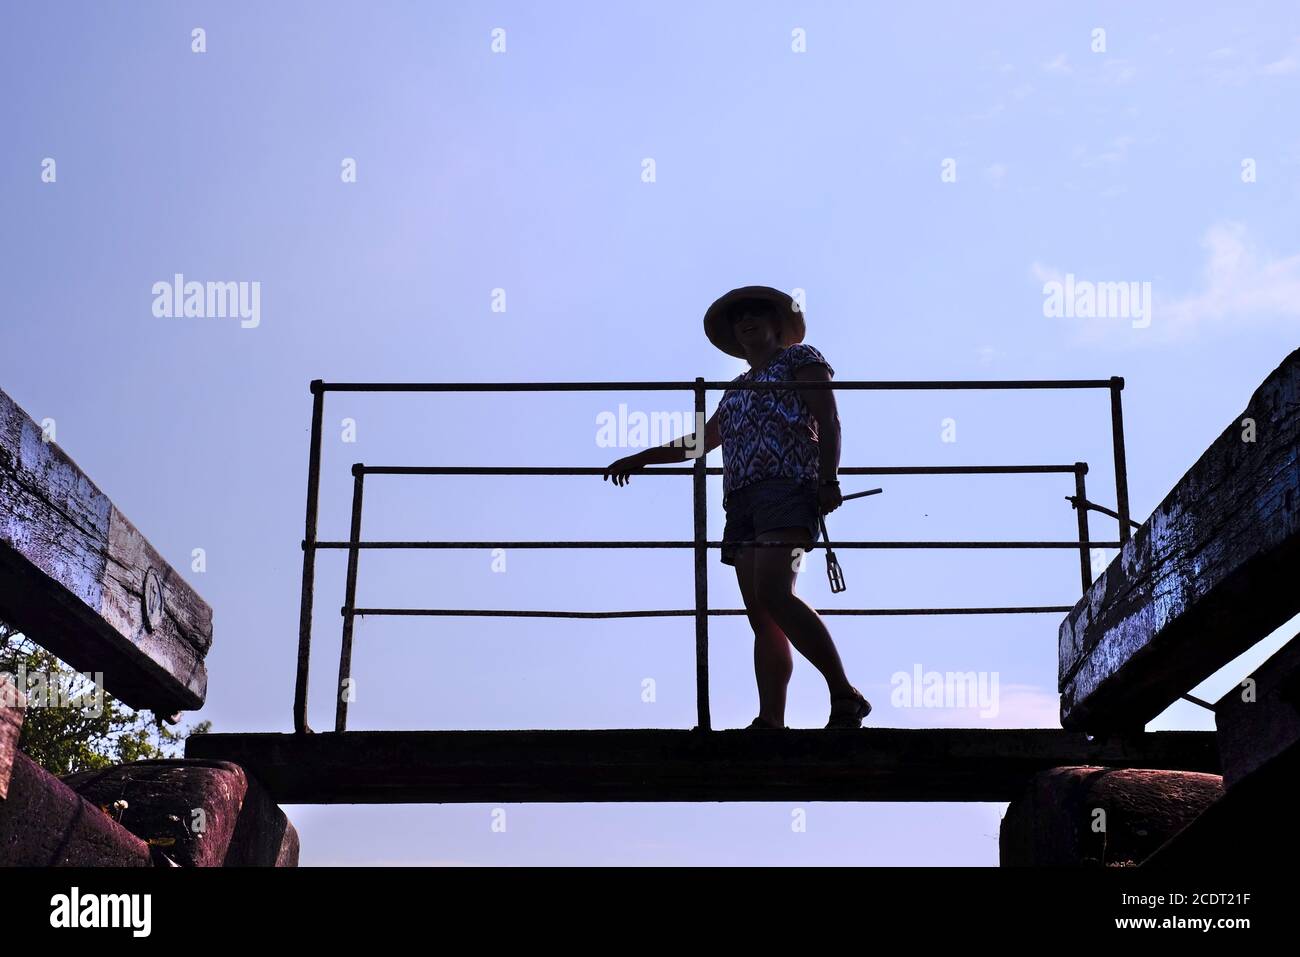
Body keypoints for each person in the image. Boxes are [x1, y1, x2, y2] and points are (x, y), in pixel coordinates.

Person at [603, 286, 871, 730]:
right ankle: (771, 719)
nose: (746, 321)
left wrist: (828, 479)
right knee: (762, 616)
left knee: (774, 593)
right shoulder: (736, 389)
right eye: (739, 317)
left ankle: (845, 693)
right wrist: (643, 456)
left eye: (756, 314)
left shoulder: (800, 360)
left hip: (788, 488)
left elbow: (828, 418)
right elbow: (702, 442)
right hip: (742, 500)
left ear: (776, 325)